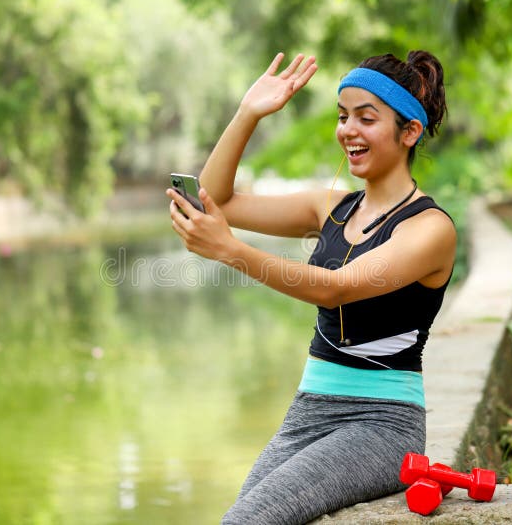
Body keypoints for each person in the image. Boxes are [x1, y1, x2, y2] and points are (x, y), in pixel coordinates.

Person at [166, 50, 456, 524]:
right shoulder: (331, 207)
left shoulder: (428, 228)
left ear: (409, 132)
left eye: (367, 118)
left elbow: (335, 288)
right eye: (343, 117)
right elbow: (214, 199)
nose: (348, 130)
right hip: (309, 410)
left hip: (381, 424)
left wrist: (229, 250)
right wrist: (248, 113)